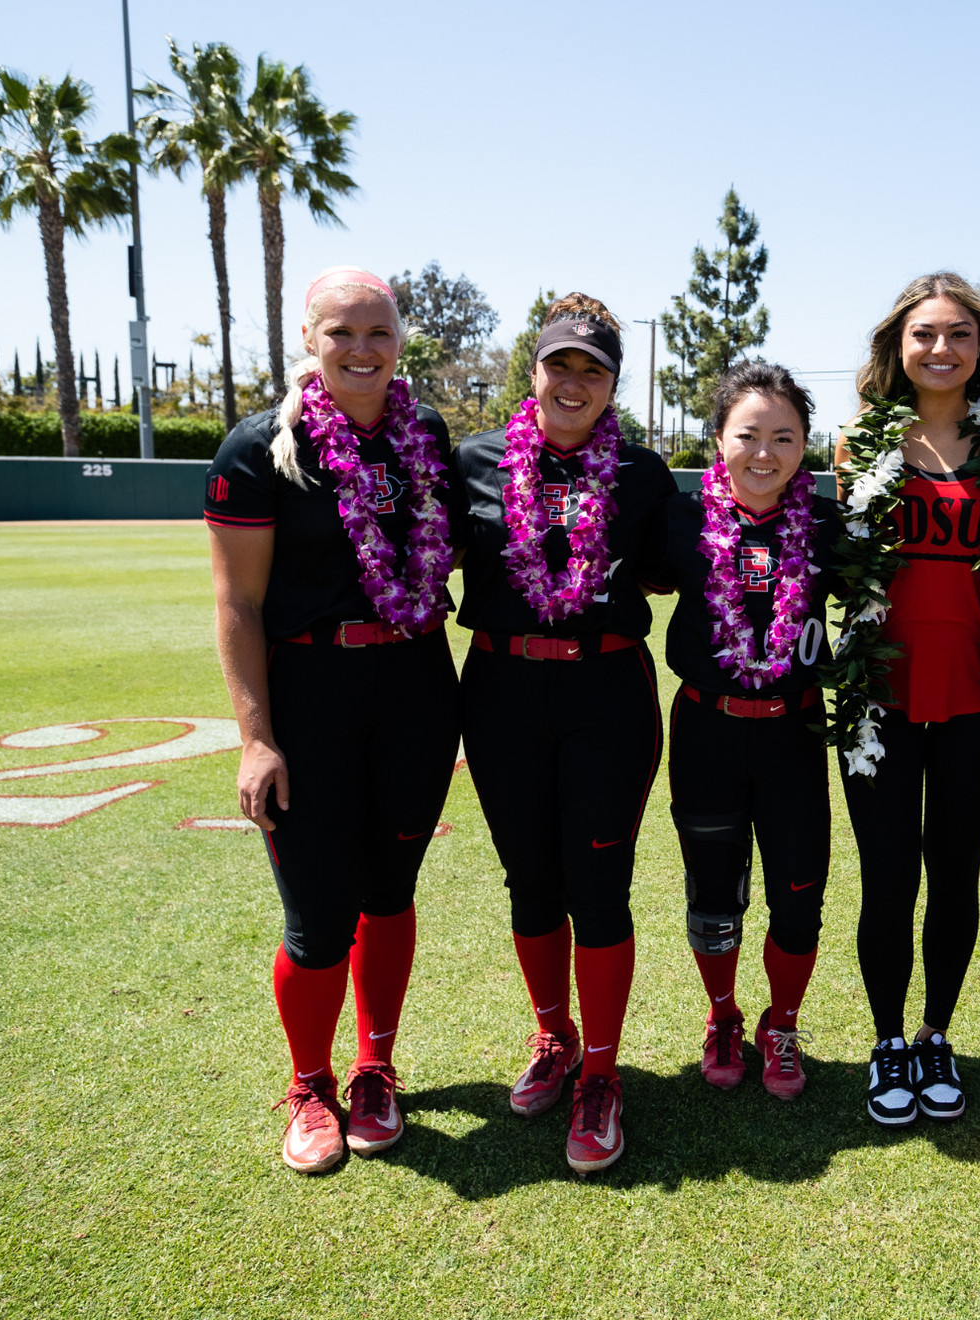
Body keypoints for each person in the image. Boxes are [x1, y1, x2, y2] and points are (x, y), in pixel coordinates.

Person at [205, 266, 460, 1174]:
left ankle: (374, 1068)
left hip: (415, 687)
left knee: (389, 892)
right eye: (341, 332)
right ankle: (309, 1084)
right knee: (318, 916)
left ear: (399, 342)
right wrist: (255, 737)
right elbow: (238, 604)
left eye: (378, 331)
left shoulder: (426, 434)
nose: (361, 349)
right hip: (310, 694)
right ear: (308, 339)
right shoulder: (259, 448)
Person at [452, 295, 675, 1174]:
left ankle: (603, 1075)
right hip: (500, 690)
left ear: (613, 383)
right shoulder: (472, 461)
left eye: (593, 369)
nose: (574, 383)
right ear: (534, 369)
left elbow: (678, 567)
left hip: (607, 692)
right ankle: (555, 1039)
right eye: (560, 364)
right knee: (531, 881)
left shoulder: (644, 474)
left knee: (600, 885)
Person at [834, 272, 980, 1127]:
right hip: (878, 701)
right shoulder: (857, 442)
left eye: (958, 333)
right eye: (924, 334)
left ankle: (934, 1034)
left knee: (955, 877)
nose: (941, 348)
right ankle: (888, 1040)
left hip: (977, 701)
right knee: (887, 880)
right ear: (899, 345)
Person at [646, 361, 841, 1100]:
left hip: (794, 733)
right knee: (713, 891)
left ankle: (781, 1024)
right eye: (748, 434)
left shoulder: (828, 525)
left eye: (784, 437)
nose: (764, 453)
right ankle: (723, 1016)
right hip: (708, 729)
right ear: (718, 438)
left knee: (799, 891)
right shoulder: (678, 518)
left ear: (805, 446)